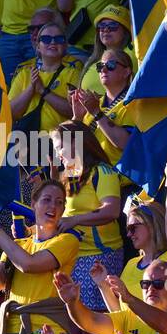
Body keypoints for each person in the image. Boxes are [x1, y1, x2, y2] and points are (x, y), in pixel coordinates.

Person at [0, 179, 80, 334]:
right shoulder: (19, 246)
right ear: (33, 204)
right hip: (9, 333)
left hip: (46, 333)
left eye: (59, 202)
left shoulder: (68, 240)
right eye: (47, 200)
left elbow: (28, 264)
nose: (53, 206)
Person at [50, 121, 122, 312]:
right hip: (72, 255)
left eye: (60, 148)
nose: (58, 154)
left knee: (94, 320)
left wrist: (75, 220)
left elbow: (112, 210)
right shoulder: (69, 175)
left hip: (98, 257)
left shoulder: (102, 171)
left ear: (76, 143)